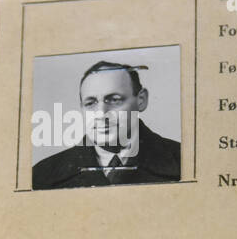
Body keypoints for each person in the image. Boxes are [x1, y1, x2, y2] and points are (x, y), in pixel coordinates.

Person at [32, 60, 181, 189]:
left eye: (115, 100)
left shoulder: (183, 161)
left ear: (141, 100)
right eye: (90, 103)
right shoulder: (42, 175)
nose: (101, 113)